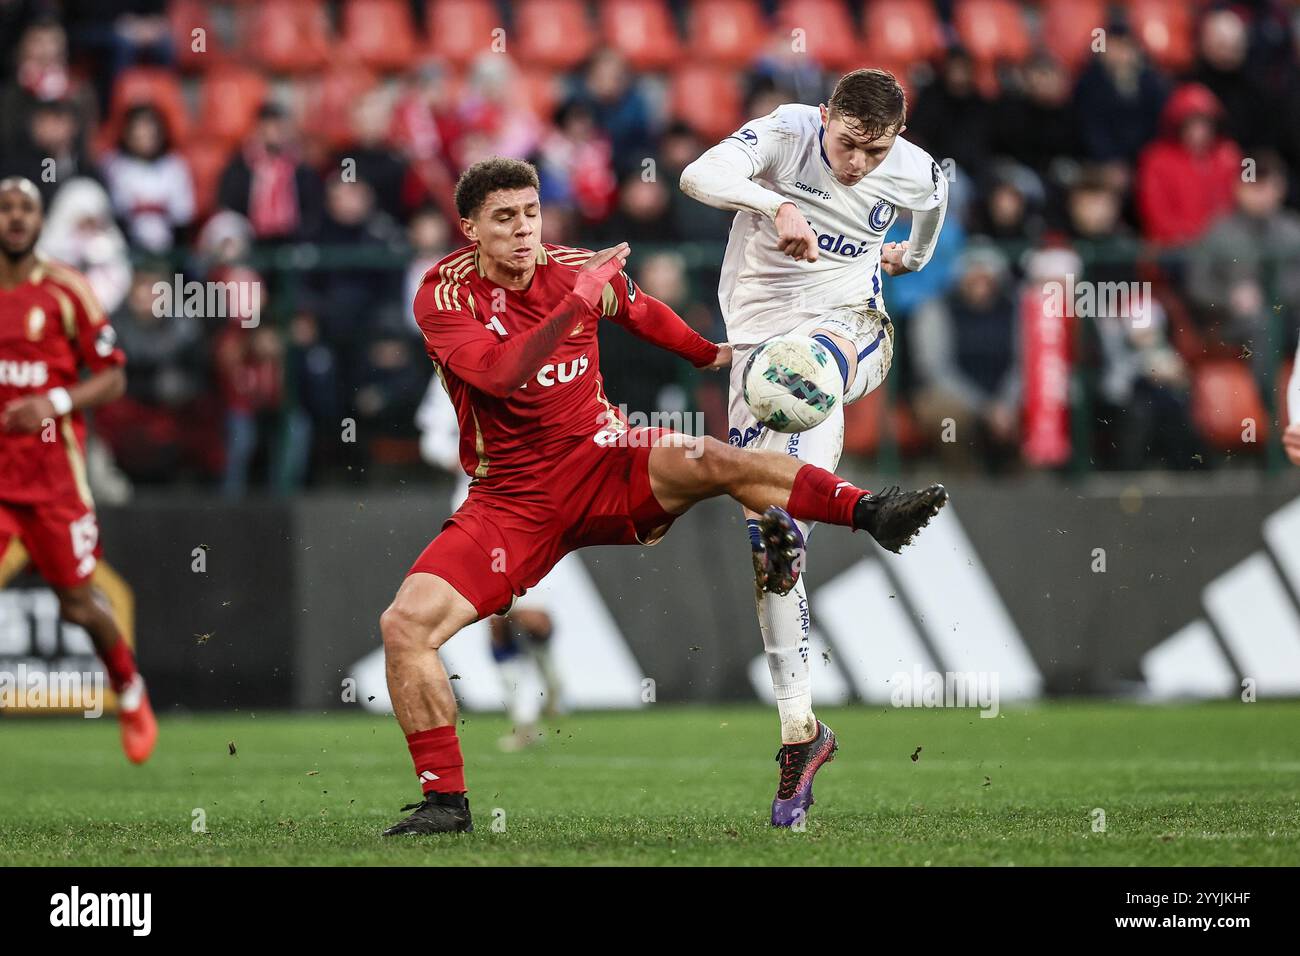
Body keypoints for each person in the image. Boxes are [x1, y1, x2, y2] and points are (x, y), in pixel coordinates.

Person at [380, 157, 947, 836]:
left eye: (531, 213)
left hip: (604, 458)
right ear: (469, 227)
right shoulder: (443, 293)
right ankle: (447, 803)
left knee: (712, 458)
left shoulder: (573, 269)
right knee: (405, 628)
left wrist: (708, 354)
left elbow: (638, 308)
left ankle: (868, 511)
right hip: (511, 499)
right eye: (504, 218)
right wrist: (577, 302)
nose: (523, 230)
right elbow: (501, 376)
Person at [677, 69, 948, 826]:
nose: (859, 162)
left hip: (851, 333)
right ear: (824, 117)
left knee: (801, 367)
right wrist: (776, 203)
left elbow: (929, 213)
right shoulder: (787, 133)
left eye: (876, 149)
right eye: (848, 143)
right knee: (772, 545)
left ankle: (844, 510)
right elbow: (699, 175)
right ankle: (801, 730)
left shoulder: (916, 169)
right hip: (756, 348)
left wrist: (909, 260)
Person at [0, 175, 156, 763]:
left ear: (40, 222)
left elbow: (113, 374)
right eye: (4, 209)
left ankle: (128, 687)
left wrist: (56, 402)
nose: (14, 218)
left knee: (77, 603)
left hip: (52, 480)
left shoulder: (67, 290)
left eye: (24, 209)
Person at [416, 376, 564, 752]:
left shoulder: (533, 366)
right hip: (478, 507)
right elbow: (432, 437)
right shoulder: (449, 374)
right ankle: (524, 718)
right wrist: (458, 457)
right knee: (496, 619)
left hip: (534, 505)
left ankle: (552, 680)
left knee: (534, 618)